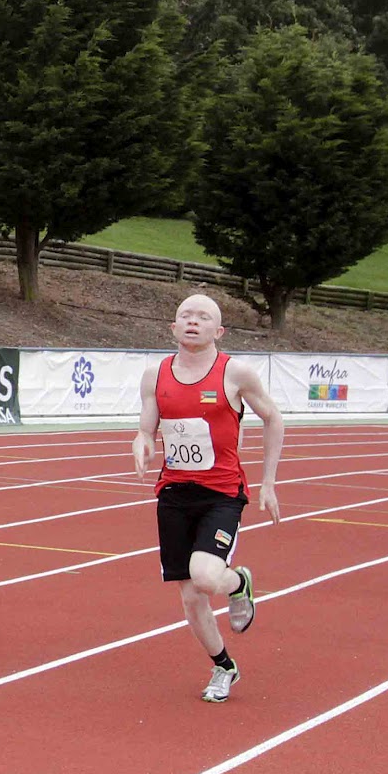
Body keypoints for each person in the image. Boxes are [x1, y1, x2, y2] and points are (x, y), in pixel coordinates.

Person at [134, 293, 285, 703]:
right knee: (190, 597)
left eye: (203, 318)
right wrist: (143, 441)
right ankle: (224, 666)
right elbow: (148, 427)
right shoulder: (155, 375)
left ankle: (239, 582)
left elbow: (273, 418)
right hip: (174, 494)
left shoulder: (236, 373)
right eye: (185, 315)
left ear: (218, 331)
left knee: (205, 575)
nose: (193, 322)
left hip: (221, 493)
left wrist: (268, 482)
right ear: (173, 327)